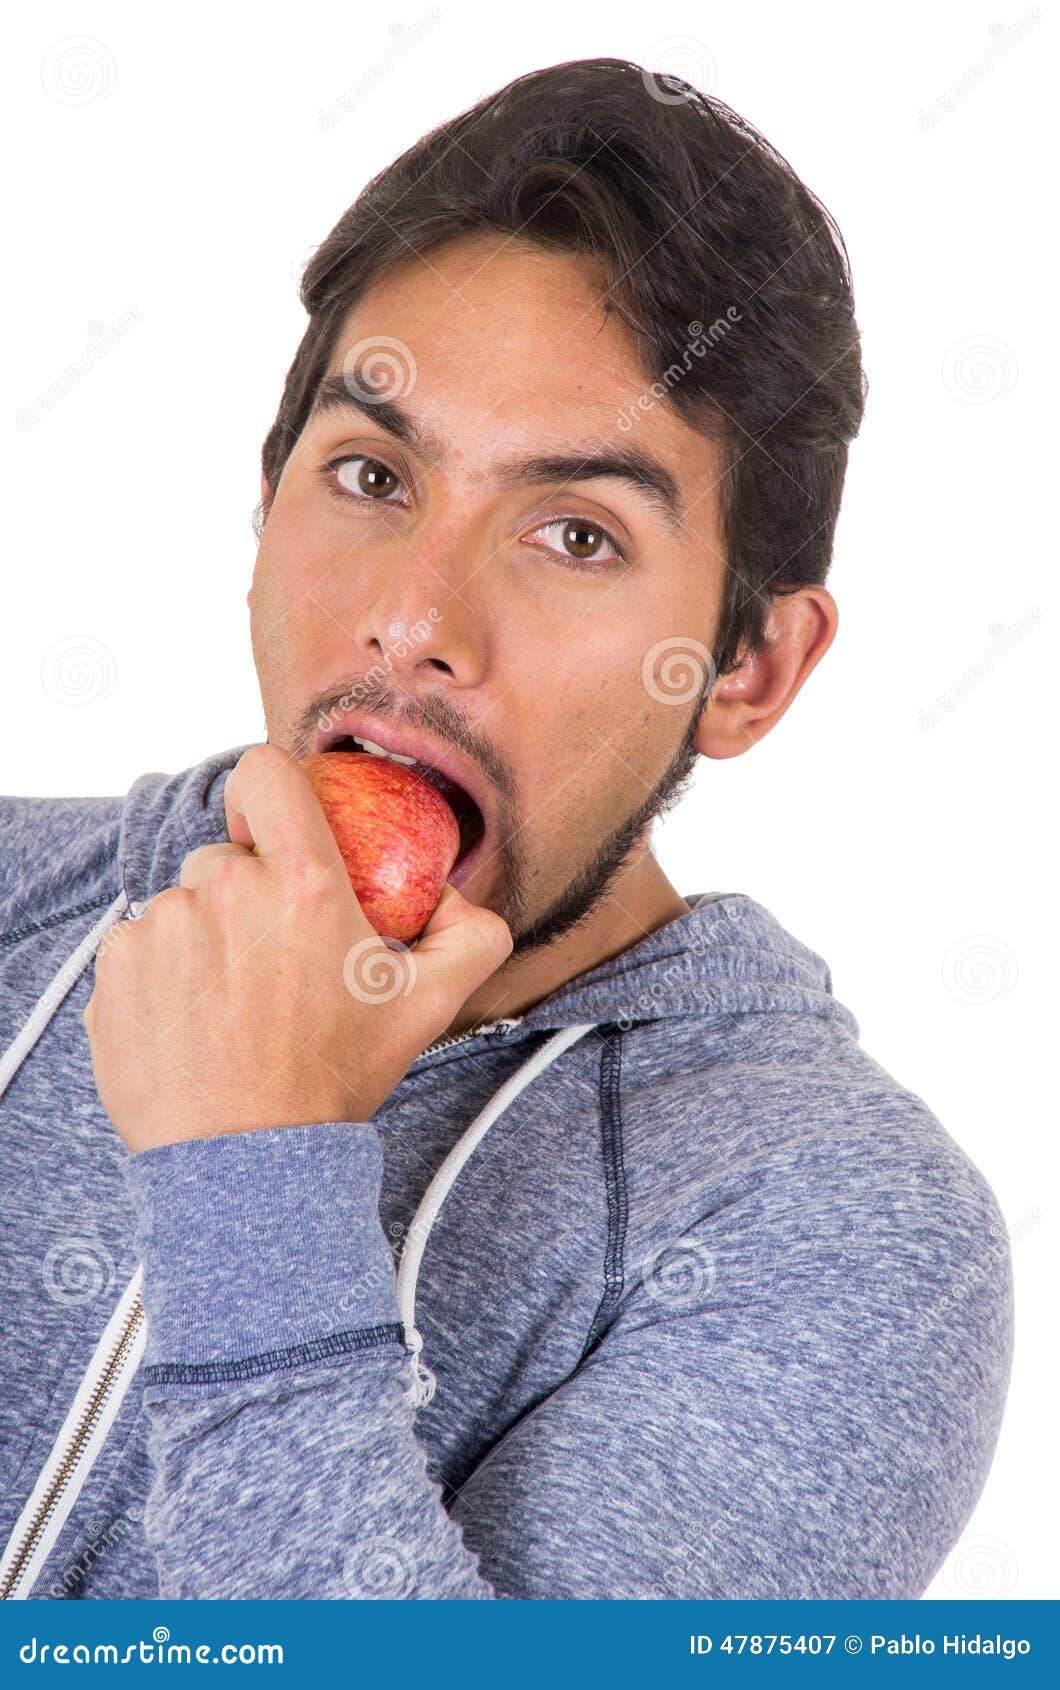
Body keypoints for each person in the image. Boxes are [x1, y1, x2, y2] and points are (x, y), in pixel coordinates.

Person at [0, 58, 1011, 1601]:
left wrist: (251, 1173)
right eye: (371, 474)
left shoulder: (843, 1234)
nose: (414, 619)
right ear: (264, 510)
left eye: (576, 533)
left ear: (747, 668)